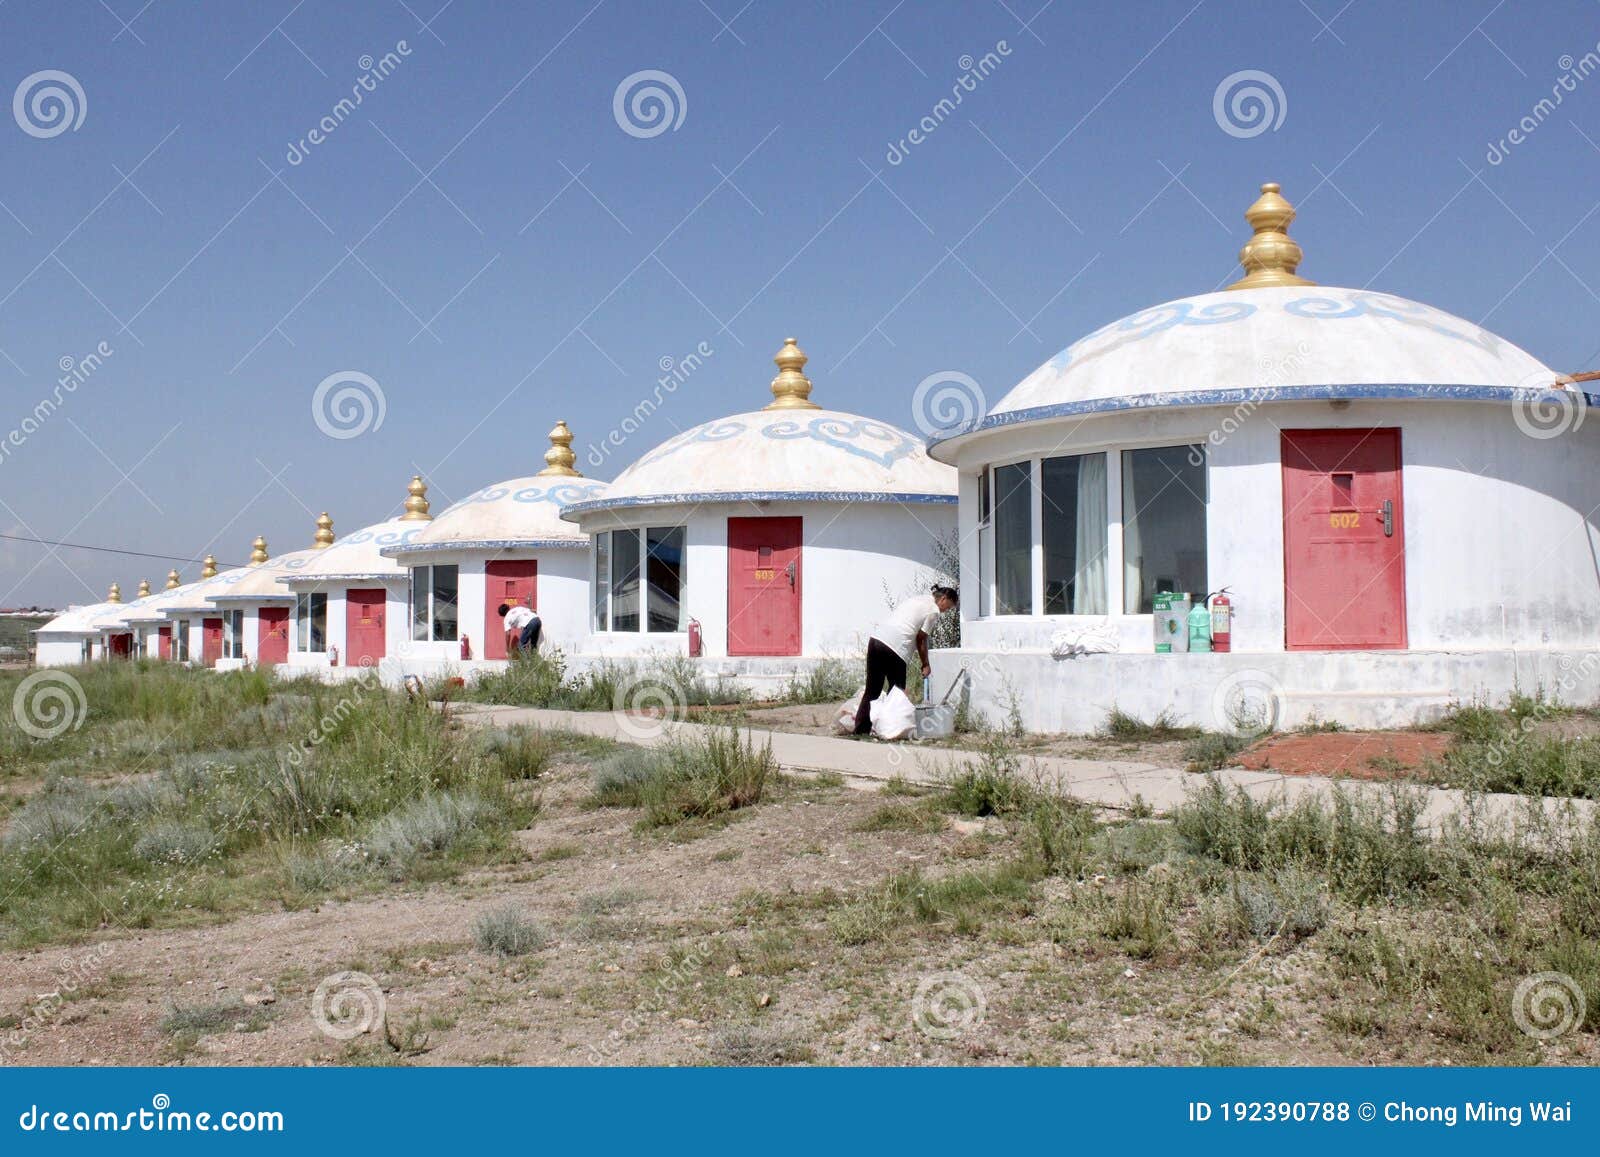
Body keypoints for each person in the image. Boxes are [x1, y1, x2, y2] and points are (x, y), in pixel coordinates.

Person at [853, 585, 958, 736]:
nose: (945, 611)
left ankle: (861, 730)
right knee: (897, 692)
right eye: (948, 607)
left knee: (872, 690)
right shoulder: (933, 610)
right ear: (944, 599)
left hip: (877, 640)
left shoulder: (917, 598)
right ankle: (892, 731)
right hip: (896, 648)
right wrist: (925, 664)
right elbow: (921, 639)